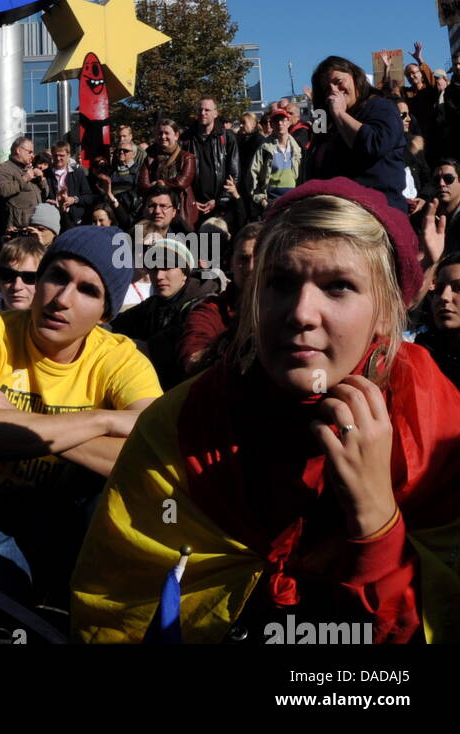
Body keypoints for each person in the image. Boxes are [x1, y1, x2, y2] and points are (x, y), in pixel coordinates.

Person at [72, 178, 460, 644]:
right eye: (280, 282)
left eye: (338, 286)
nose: (301, 313)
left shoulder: (436, 419)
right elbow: (118, 607)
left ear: (385, 309)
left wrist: (376, 522)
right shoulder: (181, 424)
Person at [0, 226, 161, 607]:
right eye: (57, 276)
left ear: (105, 314)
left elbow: (153, 452)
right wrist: (105, 421)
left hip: (60, 521)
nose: (62, 299)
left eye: (88, 290)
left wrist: (9, 415)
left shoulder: (120, 357)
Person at [302, 55, 406, 210]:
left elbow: (374, 145)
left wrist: (339, 114)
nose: (334, 92)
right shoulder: (323, 117)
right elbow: (313, 154)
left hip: (376, 210)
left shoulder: (381, 107)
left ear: (355, 77)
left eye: (338, 82)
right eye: (326, 89)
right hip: (335, 210)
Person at [110, 237, 217, 390]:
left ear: (184, 273)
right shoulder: (153, 304)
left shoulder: (201, 307)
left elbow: (165, 347)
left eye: (167, 267)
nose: (159, 275)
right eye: (154, 268)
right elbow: (115, 326)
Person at [178, 221, 263, 376]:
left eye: (260, 259)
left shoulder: (292, 306)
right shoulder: (210, 309)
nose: (251, 267)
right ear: (231, 262)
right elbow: (193, 360)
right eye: (243, 259)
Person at [184, 97, 242, 231]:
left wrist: (219, 201)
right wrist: (191, 201)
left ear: (216, 113)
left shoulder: (227, 137)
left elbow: (234, 174)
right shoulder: (186, 139)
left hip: (219, 208)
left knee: (216, 248)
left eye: (207, 110)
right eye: (200, 110)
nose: (203, 113)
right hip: (194, 207)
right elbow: (182, 174)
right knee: (196, 249)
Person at [136, 120, 197, 228]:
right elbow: (142, 184)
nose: (163, 136)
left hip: (180, 209)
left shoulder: (187, 157)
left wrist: (160, 183)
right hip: (155, 211)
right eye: (160, 133)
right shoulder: (150, 158)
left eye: (167, 133)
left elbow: (182, 182)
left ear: (176, 135)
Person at [251, 103, 303, 208]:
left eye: (283, 120)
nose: (280, 123)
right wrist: (261, 200)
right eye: (276, 120)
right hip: (272, 200)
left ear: (288, 122)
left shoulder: (297, 148)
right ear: (272, 124)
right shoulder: (265, 148)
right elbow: (253, 173)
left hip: (293, 200)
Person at [0, 136, 43, 234]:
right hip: (18, 228)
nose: (32, 155)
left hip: (35, 225)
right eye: (30, 152)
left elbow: (44, 194)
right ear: (18, 150)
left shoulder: (28, 169)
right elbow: (3, 191)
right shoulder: (4, 169)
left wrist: (42, 180)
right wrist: (25, 178)